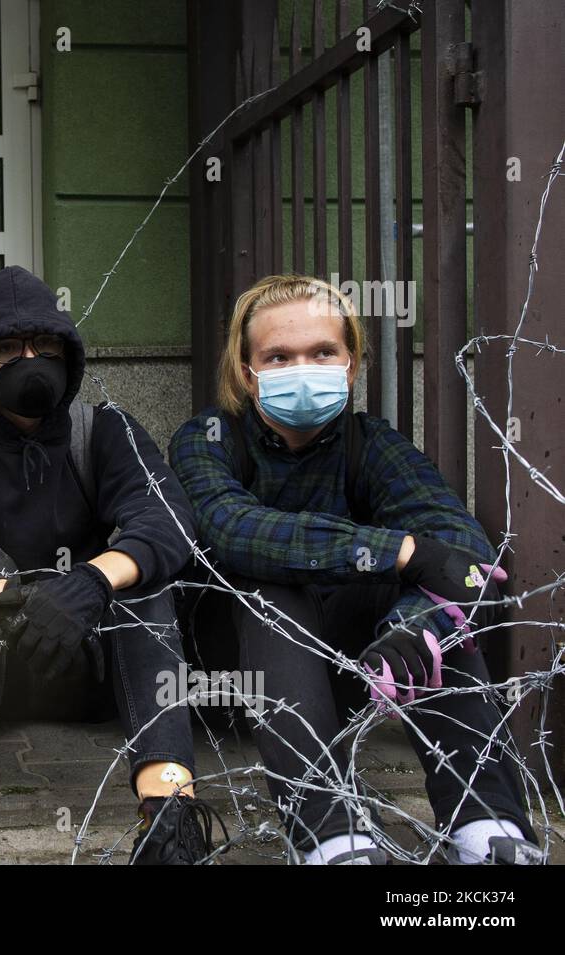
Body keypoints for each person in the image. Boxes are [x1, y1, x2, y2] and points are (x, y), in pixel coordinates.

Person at [169, 273, 542, 865]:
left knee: (437, 607)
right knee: (273, 584)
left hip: (360, 669)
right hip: (240, 672)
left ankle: (483, 824)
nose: (303, 367)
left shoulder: (371, 443)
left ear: (350, 363)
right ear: (247, 372)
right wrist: (398, 551)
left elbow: (454, 541)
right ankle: (329, 836)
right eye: (278, 356)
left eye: (322, 352)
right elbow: (232, 529)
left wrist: (413, 627)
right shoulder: (208, 439)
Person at [0, 265, 218, 864]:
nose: (30, 359)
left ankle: (169, 820)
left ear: (66, 353)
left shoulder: (103, 429)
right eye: (8, 349)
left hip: (93, 659)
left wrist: (91, 581)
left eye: (44, 346)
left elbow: (165, 519)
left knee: (142, 578)